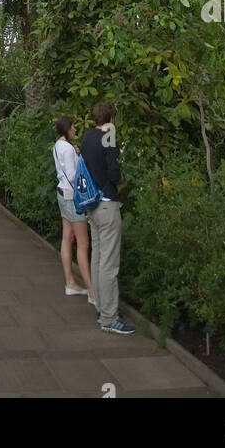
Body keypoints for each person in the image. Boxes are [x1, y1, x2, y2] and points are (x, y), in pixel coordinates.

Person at [80, 101, 134, 335]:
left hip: (91, 204)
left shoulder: (87, 137)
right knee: (109, 264)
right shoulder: (108, 138)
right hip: (107, 205)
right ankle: (110, 318)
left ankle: (101, 307)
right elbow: (114, 173)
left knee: (98, 258)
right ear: (111, 118)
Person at [52, 115, 96, 302]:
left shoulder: (58, 146)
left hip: (62, 194)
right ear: (67, 129)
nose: (75, 130)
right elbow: (72, 175)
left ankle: (70, 282)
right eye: (73, 127)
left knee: (67, 237)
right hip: (72, 198)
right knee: (83, 244)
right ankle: (93, 292)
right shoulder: (68, 149)